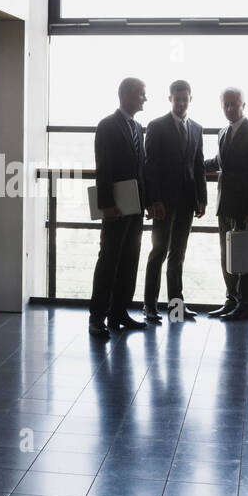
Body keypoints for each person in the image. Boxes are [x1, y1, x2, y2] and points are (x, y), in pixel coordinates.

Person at [88, 77, 158, 339]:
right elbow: (103, 167)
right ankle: (97, 317)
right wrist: (106, 205)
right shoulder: (108, 125)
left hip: (135, 204)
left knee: (130, 259)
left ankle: (119, 312)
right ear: (127, 94)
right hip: (116, 204)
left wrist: (148, 202)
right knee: (108, 260)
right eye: (142, 94)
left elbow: (143, 170)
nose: (145, 98)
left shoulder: (138, 127)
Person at [142, 80, 207, 323]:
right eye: (176, 98)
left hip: (187, 202)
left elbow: (198, 166)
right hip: (163, 204)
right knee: (158, 252)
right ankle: (149, 306)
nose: (180, 102)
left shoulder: (197, 128)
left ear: (191, 99)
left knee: (178, 255)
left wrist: (202, 199)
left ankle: (175, 307)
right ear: (169, 99)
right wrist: (154, 200)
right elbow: (150, 167)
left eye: (185, 98)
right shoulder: (156, 126)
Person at [203, 87, 248, 321]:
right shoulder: (222, 133)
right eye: (226, 104)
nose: (230, 108)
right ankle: (231, 299)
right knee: (226, 255)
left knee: (244, 257)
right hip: (225, 205)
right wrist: (192, 164)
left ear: (243, 105)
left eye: (234, 103)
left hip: (244, 208)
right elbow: (219, 162)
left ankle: (246, 305)